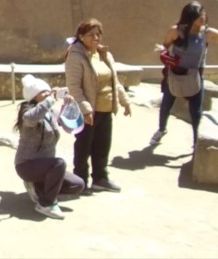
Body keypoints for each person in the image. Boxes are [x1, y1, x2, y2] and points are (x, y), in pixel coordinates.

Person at [64, 18, 131, 193]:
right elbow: (74, 87)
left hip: (105, 109)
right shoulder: (75, 57)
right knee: (84, 147)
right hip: (88, 111)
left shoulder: (105, 54)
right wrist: (86, 110)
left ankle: (100, 178)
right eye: (91, 34)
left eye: (98, 34)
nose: (96, 38)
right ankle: (80, 181)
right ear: (81, 36)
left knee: (102, 146)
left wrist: (125, 102)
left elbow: (114, 81)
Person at [151, 1, 218, 148]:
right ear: (189, 17)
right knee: (166, 105)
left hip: (195, 76)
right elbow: (165, 46)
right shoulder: (176, 31)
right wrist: (164, 53)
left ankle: (196, 142)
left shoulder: (208, 33)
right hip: (175, 74)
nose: (202, 18)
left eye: (203, 14)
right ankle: (161, 129)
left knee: (196, 112)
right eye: (199, 16)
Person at [14, 75, 85, 220]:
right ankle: (45, 204)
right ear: (34, 96)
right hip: (27, 165)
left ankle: (38, 188)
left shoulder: (50, 112)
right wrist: (50, 99)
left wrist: (68, 105)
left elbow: (69, 125)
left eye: (48, 91)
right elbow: (31, 118)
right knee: (59, 163)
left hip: (46, 167)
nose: (48, 94)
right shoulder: (27, 112)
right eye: (43, 92)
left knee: (78, 185)